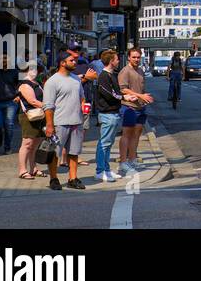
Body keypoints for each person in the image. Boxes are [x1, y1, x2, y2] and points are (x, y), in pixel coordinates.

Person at [42, 49, 86, 190]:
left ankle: (72, 178)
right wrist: (50, 125)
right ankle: (54, 179)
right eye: (71, 60)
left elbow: (82, 97)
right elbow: (48, 106)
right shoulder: (52, 81)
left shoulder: (76, 79)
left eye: (74, 60)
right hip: (59, 122)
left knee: (74, 152)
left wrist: (84, 105)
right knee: (55, 152)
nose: (75, 62)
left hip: (76, 121)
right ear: (62, 63)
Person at [117, 47, 154, 176]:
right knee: (126, 134)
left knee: (137, 134)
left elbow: (141, 88)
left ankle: (132, 159)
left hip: (140, 107)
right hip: (129, 107)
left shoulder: (140, 70)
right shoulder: (125, 71)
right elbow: (123, 89)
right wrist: (140, 96)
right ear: (128, 57)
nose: (136, 59)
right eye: (134, 57)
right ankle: (123, 162)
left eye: (138, 57)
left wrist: (144, 98)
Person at [93, 50, 125, 182]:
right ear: (111, 61)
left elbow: (114, 92)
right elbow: (109, 94)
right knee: (104, 143)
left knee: (108, 143)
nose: (118, 61)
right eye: (117, 59)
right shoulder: (104, 76)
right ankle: (100, 171)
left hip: (113, 113)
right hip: (107, 114)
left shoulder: (112, 75)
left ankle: (106, 169)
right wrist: (124, 97)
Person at [14, 61, 47, 179]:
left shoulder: (36, 83)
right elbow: (32, 101)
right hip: (29, 116)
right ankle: (22, 170)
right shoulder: (24, 84)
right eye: (31, 69)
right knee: (27, 143)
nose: (35, 71)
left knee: (35, 144)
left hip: (39, 115)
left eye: (36, 69)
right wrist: (48, 106)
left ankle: (33, 168)